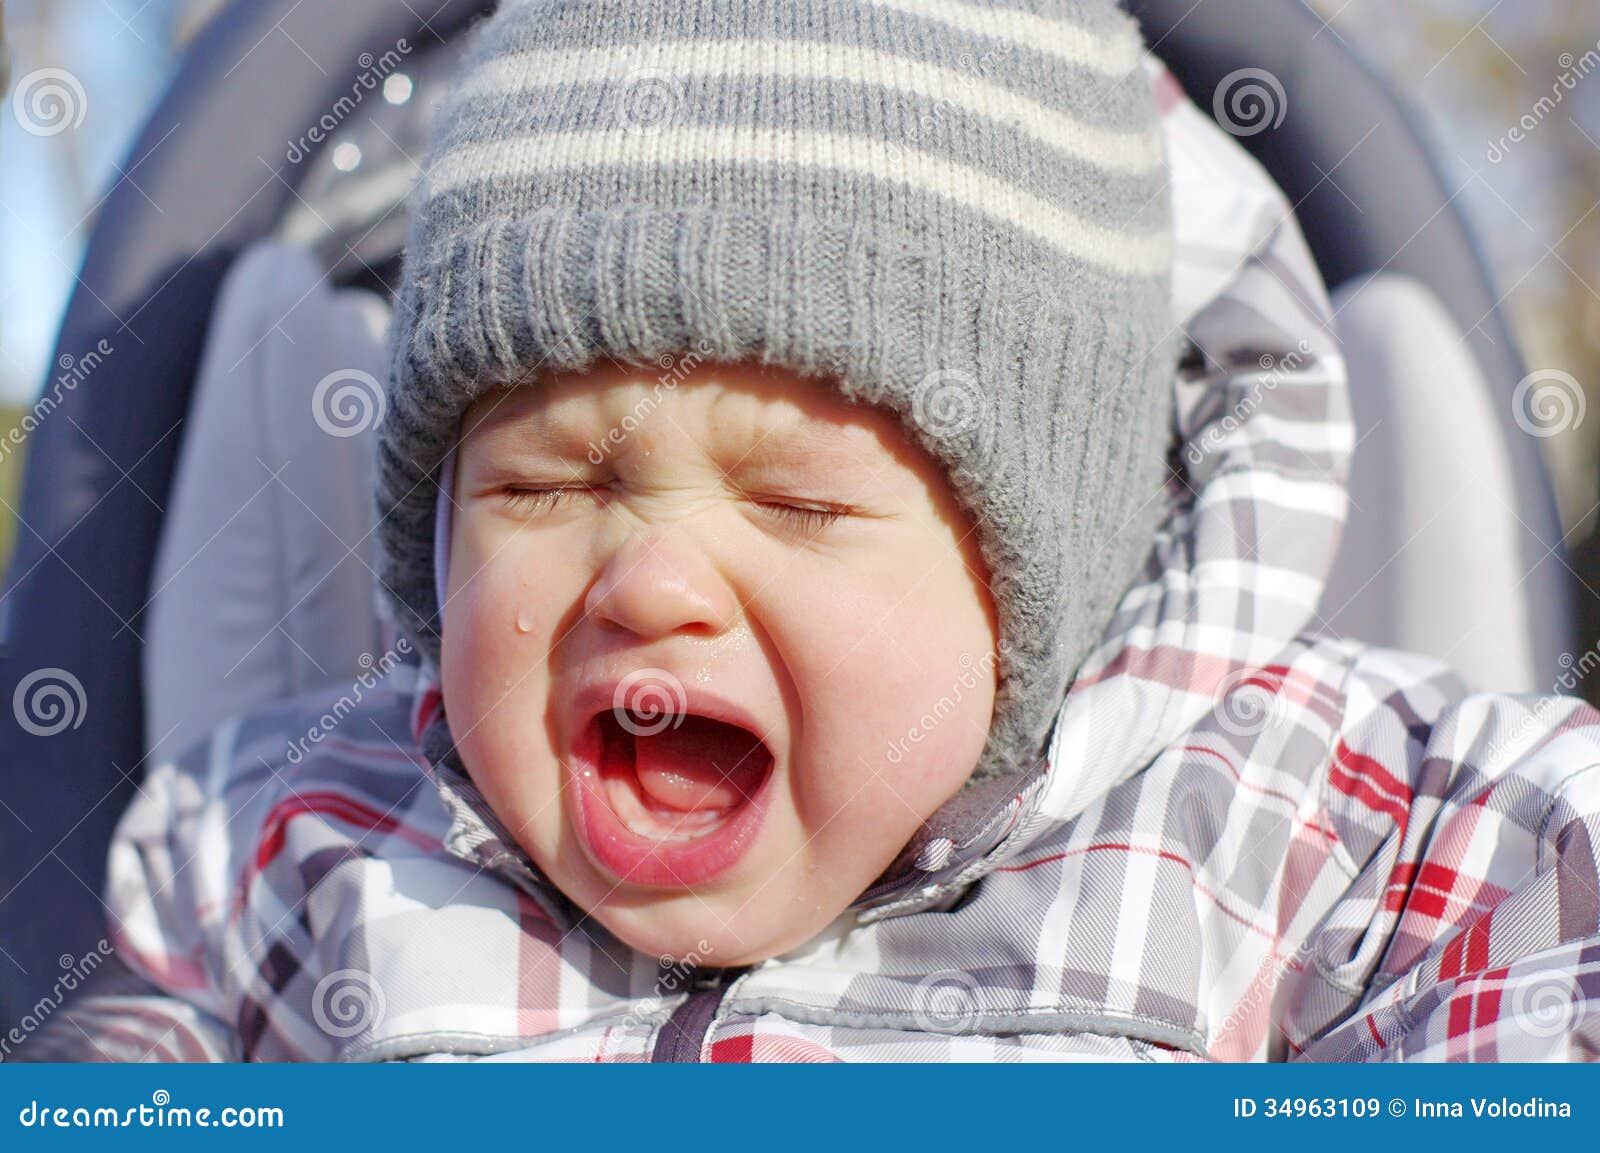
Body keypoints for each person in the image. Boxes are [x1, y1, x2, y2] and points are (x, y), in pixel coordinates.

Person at [40, 0, 1600, 1062]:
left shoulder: (1330, 835)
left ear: (1043, 568)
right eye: (542, 486)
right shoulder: (287, 845)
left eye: (796, 503)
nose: (647, 576)